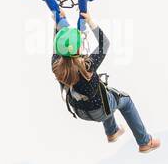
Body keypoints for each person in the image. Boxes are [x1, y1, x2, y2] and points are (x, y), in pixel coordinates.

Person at [52, 12, 161, 153]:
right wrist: (90, 21)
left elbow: (56, 48)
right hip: (101, 110)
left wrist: (58, 22)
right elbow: (105, 43)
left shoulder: (56, 67)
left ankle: (112, 131)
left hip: (80, 111)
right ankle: (145, 142)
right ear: (79, 48)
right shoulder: (87, 66)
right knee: (124, 100)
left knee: (105, 93)